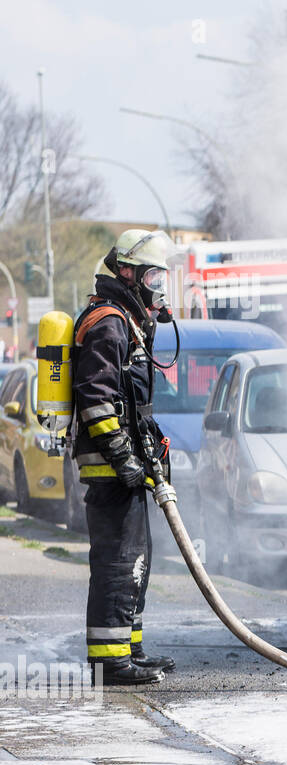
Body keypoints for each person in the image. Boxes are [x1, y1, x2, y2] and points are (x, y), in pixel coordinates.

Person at [72, 229, 177, 685]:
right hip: (110, 470)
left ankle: (128, 650)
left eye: (162, 276)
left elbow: (133, 405)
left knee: (136, 559)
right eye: (152, 274)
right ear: (128, 273)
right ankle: (110, 664)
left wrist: (149, 452)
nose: (158, 286)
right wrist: (122, 458)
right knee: (118, 561)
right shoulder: (109, 322)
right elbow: (96, 398)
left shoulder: (129, 322)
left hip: (128, 467)